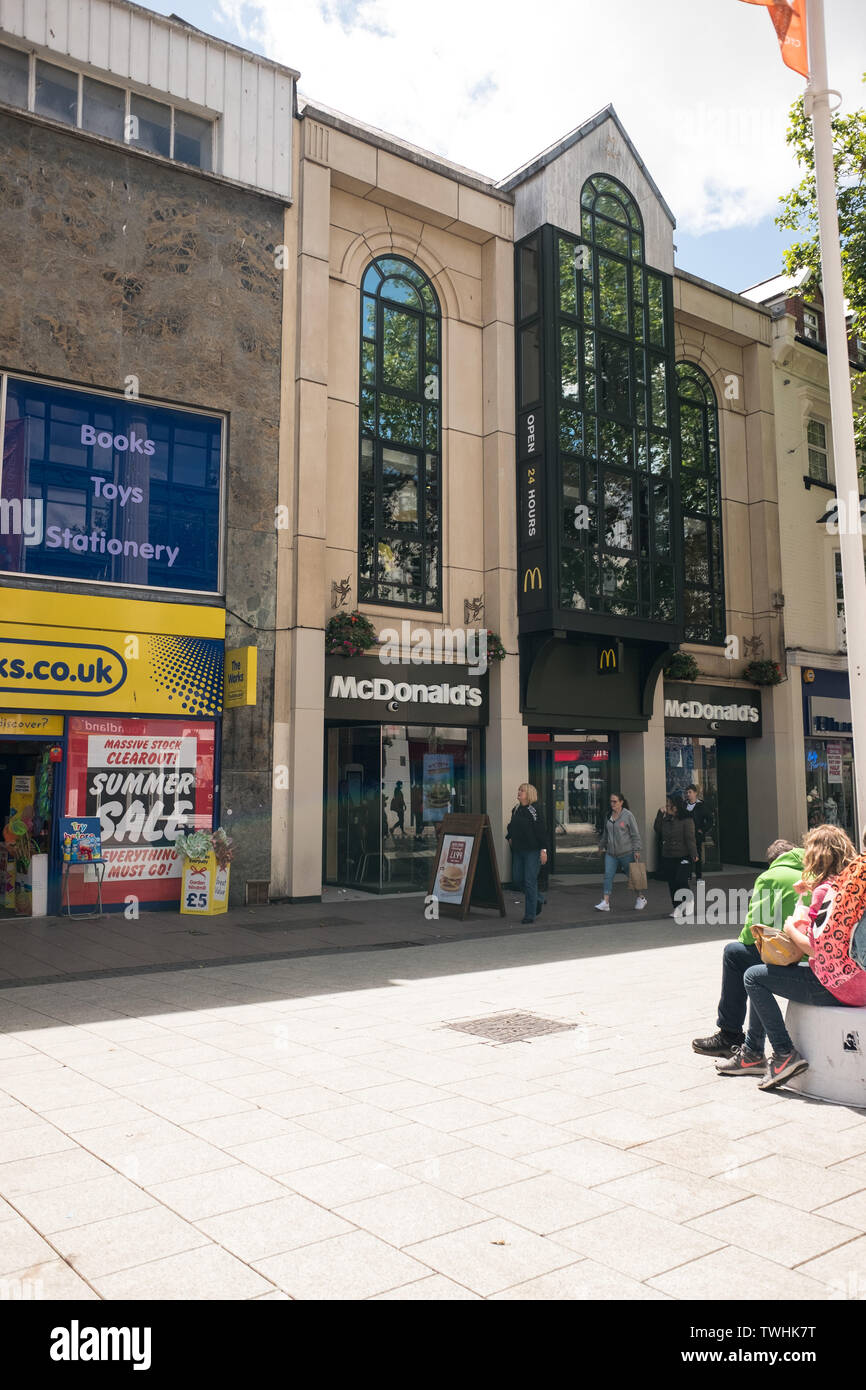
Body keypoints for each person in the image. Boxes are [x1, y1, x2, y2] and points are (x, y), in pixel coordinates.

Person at [717, 824, 859, 1089]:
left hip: (836, 984)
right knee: (762, 972)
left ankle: (782, 1054)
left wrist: (791, 929)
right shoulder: (848, 884)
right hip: (855, 978)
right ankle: (752, 1052)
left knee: (755, 977)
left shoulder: (823, 892)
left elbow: (816, 949)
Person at [692, 839, 803, 1058]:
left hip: (795, 960)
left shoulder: (769, 877)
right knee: (756, 959)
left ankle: (730, 1034)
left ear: (772, 861)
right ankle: (746, 1042)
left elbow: (751, 933)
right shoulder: (810, 873)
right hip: (813, 955)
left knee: (734, 953)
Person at [595, 792, 645, 913]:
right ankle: (605, 901)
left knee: (632, 877)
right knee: (608, 876)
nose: (612, 804)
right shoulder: (608, 815)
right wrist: (601, 846)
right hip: (611, 853)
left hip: (626, 853)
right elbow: (606, 834)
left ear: (621, 802)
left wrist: (637, 849)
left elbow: (635, 834)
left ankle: (641, 898)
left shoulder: (628, 815)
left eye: (615, 801)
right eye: (611, 801)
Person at [506, 783, 548, 925]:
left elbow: (541, 830)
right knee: (517, 880)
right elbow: (511, 826)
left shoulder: (534, 809)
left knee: (530, 881)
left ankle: (530, 915)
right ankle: (539, 898)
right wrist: (509, 837)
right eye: (519, 790)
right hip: (518, 850)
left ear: (529, 793)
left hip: (532, 850)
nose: (519, 792)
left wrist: (543, 850)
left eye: (522, 790)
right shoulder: (517, 809)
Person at [654, 793, 697, 915]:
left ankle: (689, 902)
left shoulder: (686, 820)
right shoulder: (666, 820)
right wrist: (659, 813)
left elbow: (690, 839)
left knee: (681, 880)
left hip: (683, 855)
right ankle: (677, 907)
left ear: (676, 807)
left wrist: (694, 854)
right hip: (668, 855)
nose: (666, 808)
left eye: (669, 806)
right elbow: (658, 829)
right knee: (672, 882)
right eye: (666, 806)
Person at [684, 784, 711, 880]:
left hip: (696, 835)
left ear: (695, 793)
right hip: (686, 834)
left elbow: (710, 820)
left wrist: (702, 830)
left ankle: (698, 876)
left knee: (697, 855)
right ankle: (688, 875)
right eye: (687, 792)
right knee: (686, 855)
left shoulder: (701, 805)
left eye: (690, 792)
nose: (688, 794)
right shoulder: (684, 805)